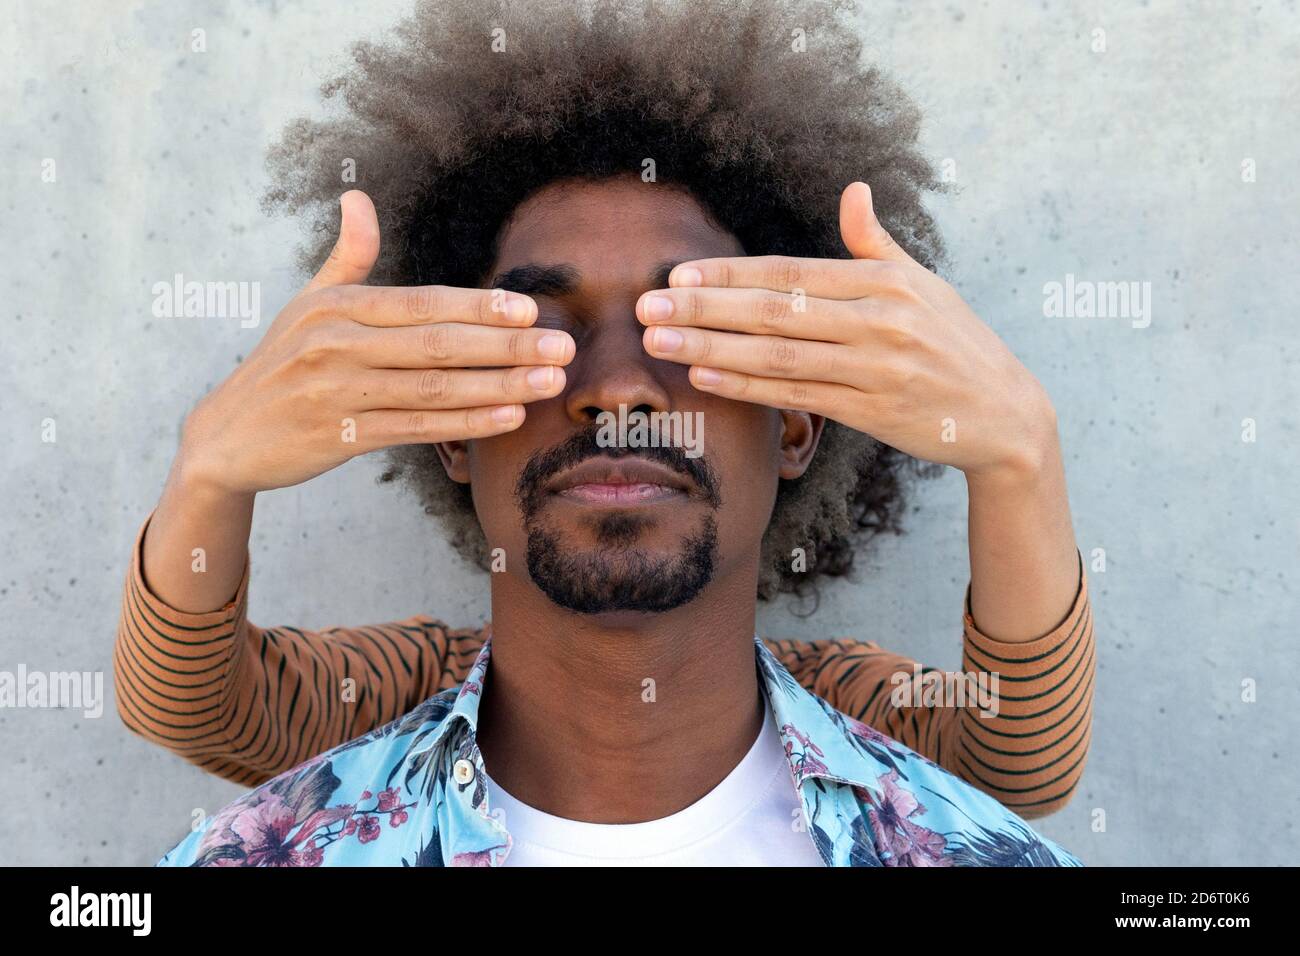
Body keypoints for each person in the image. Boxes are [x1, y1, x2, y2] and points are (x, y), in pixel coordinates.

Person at [128, 0, 1091, 866]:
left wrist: (1017, 450)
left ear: (799, 416)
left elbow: (1017, 757)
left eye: (691, 328)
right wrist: (211, 468)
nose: (621, 389)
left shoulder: (867, 740)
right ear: (447, 425)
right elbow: (195, 698)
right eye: (545, 329)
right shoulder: (346, 760)